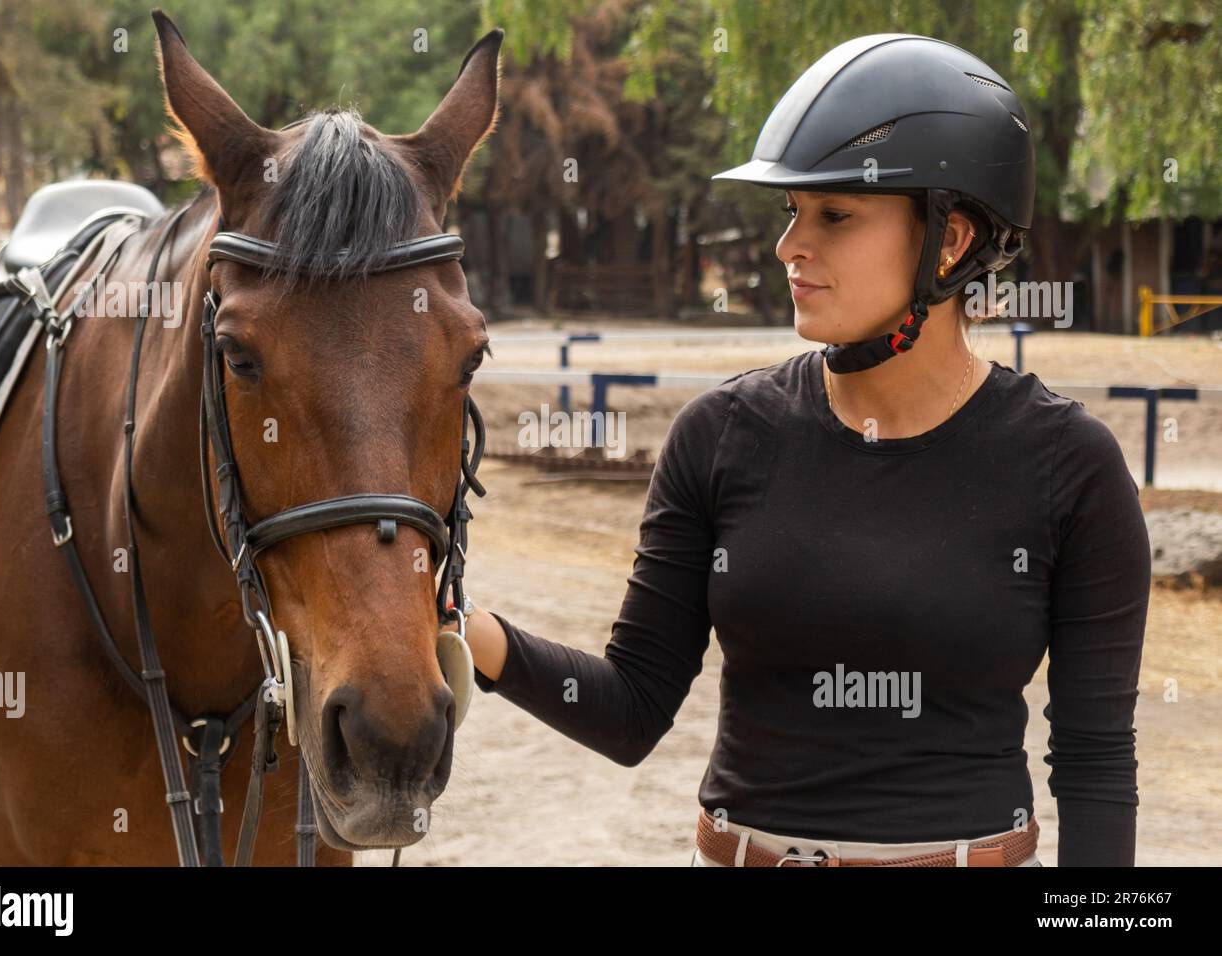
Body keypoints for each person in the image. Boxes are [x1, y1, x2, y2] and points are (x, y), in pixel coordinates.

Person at [459, 33, 1150, 867]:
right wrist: (462, 629)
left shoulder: (1070, 466)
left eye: (835, 215)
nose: (791, 247)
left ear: (952, 239)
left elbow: (1095, 763)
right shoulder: (719, 436)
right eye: (792, 213)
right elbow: (632, 708)